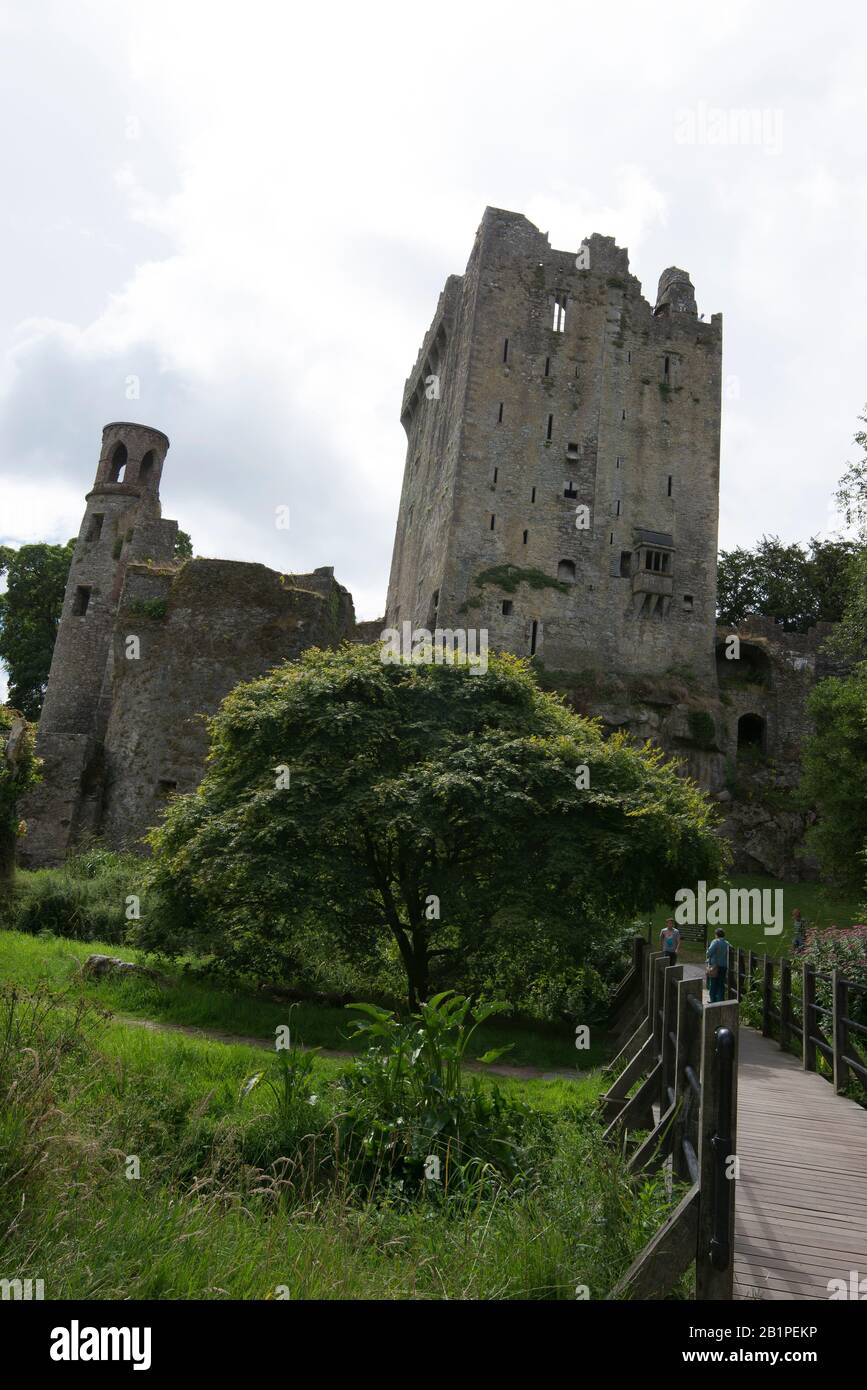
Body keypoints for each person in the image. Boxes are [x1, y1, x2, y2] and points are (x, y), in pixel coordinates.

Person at [706, 927, 730, 1003]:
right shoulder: (727, 943)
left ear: (716, 934)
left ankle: (713, 1001)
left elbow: (709, 953)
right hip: (724, 966)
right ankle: (720, 1001)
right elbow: (731, 949)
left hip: (715, 966)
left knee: (713, 984)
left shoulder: (715, 942)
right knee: (721, 984)